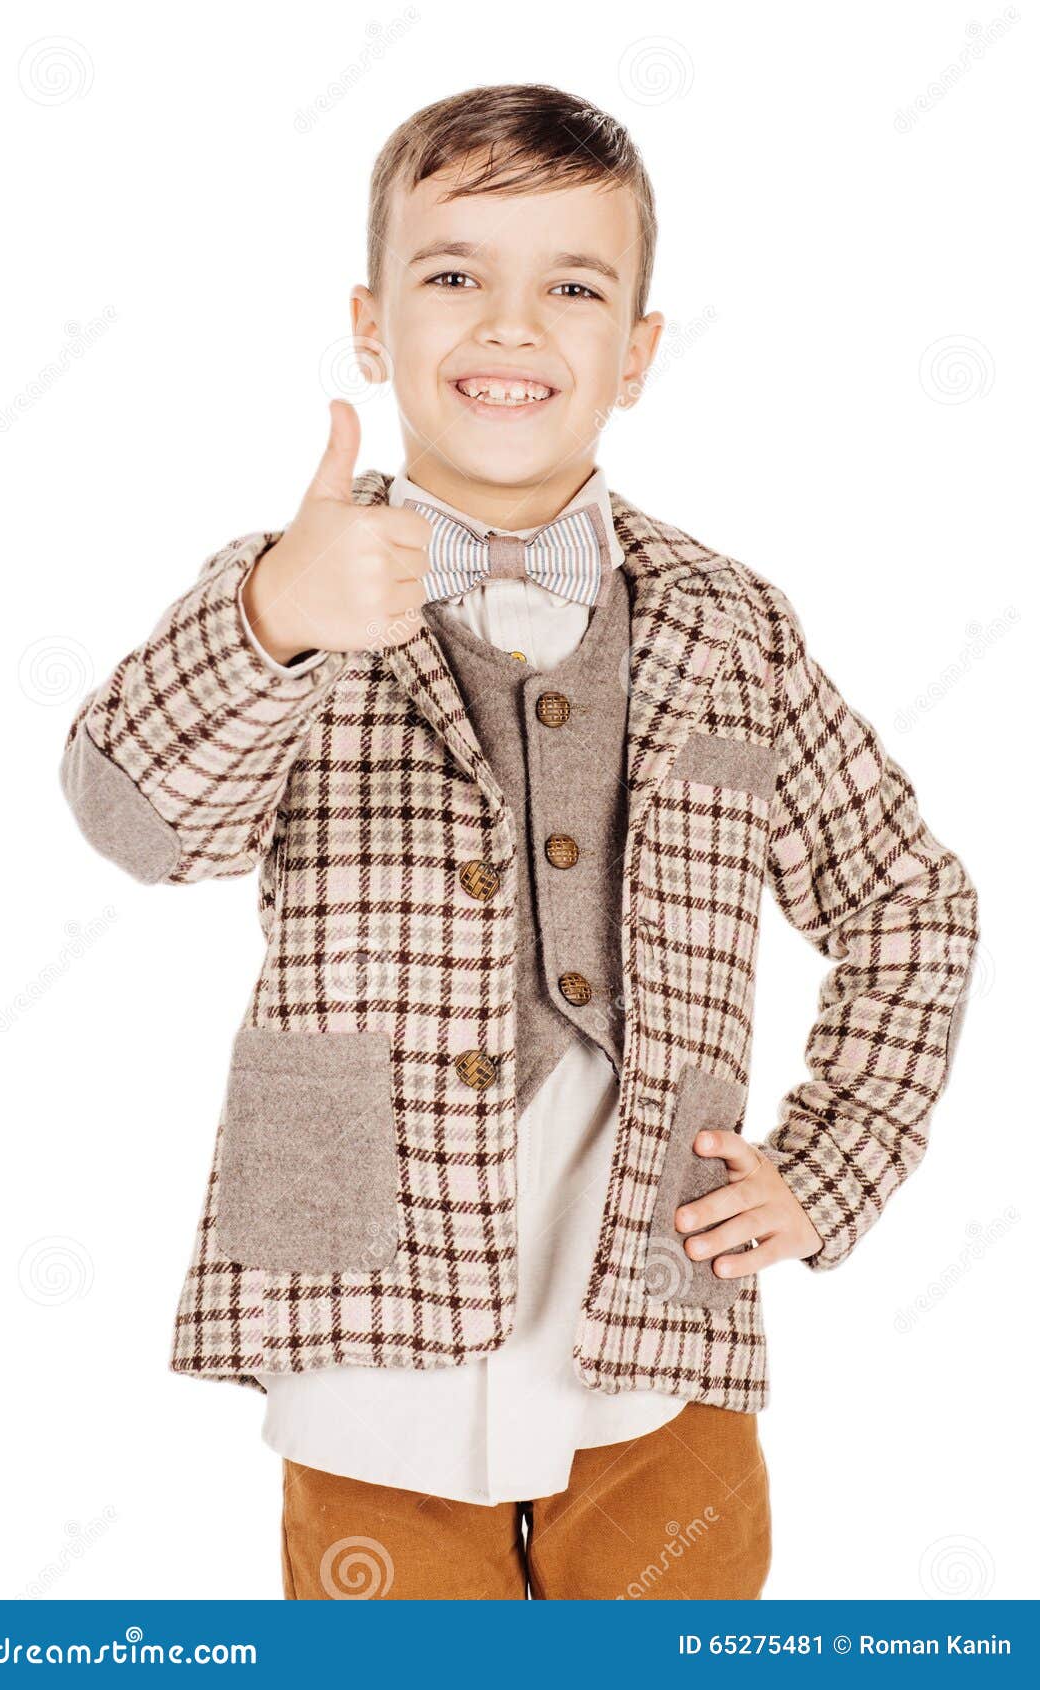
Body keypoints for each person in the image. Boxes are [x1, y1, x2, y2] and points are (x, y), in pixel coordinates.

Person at [58, 83, 978, 1601]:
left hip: (652, 1296)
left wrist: (833, 1160)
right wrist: (275, 623)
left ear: (638, 350)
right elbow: (131, 818)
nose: (510, 325)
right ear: (371, 325)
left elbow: (907, 895)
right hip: (366, 1297)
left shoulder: (730, 620)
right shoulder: (283, 586)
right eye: (452, 274)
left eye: (571, 285)